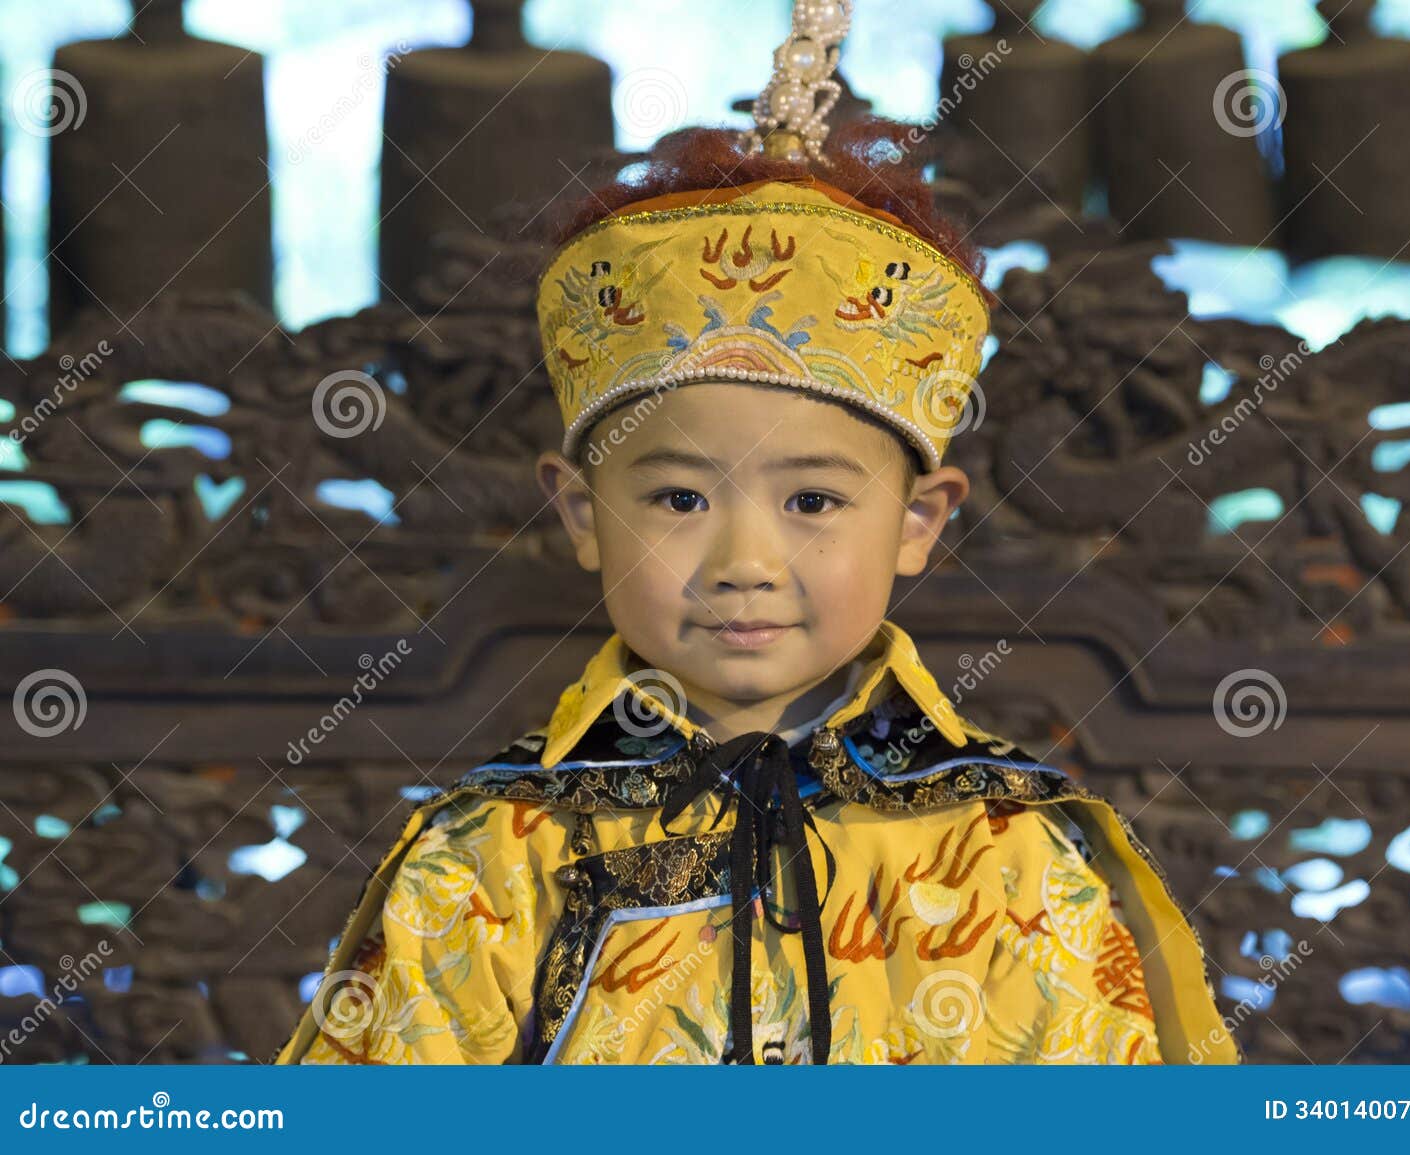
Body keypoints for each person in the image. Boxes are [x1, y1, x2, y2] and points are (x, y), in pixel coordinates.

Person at [273, 5, 1239, 1067]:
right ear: (581, 513)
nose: (742, 565)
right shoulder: (492, 860)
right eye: (679, 501)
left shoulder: (1011, 855)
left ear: (918, 521)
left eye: (813, 503)